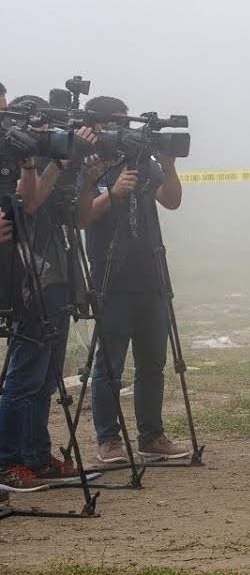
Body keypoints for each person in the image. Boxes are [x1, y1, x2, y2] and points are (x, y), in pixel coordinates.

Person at [77, 95, 188, 463]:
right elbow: (81, 218)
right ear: (97, 125)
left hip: (151, 275)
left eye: (127, 122)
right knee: (109, 364)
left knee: (152, 362)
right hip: (110, 275)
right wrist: (114, 192)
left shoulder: (142, 161)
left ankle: (151, 435)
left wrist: (168, 167)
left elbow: (171, 201)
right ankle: (108, 439)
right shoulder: (87, 164)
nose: (123, 129)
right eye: (116, 123)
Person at [0, 95, 96, 489]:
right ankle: (7, 462)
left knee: (44, 379)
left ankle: (35, 457)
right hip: (23, 281)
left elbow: (37, 203)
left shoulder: (23, 156)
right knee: (23, 380)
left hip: (51, 278)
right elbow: (28, 207)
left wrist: (58, 164)